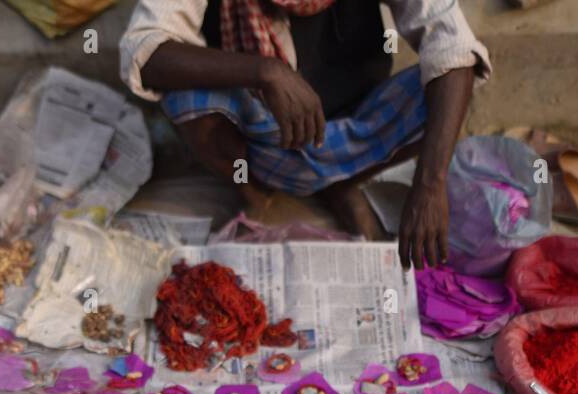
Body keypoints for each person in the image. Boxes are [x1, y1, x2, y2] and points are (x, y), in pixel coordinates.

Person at [119, 0, 490, 269]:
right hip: (258, 129)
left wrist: (430, 184)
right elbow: (144, 50)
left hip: (354, 122)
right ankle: (255, 192)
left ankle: (340, 184)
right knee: (184, 94)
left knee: (454, 81)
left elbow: (453, 45)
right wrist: (265, 71)